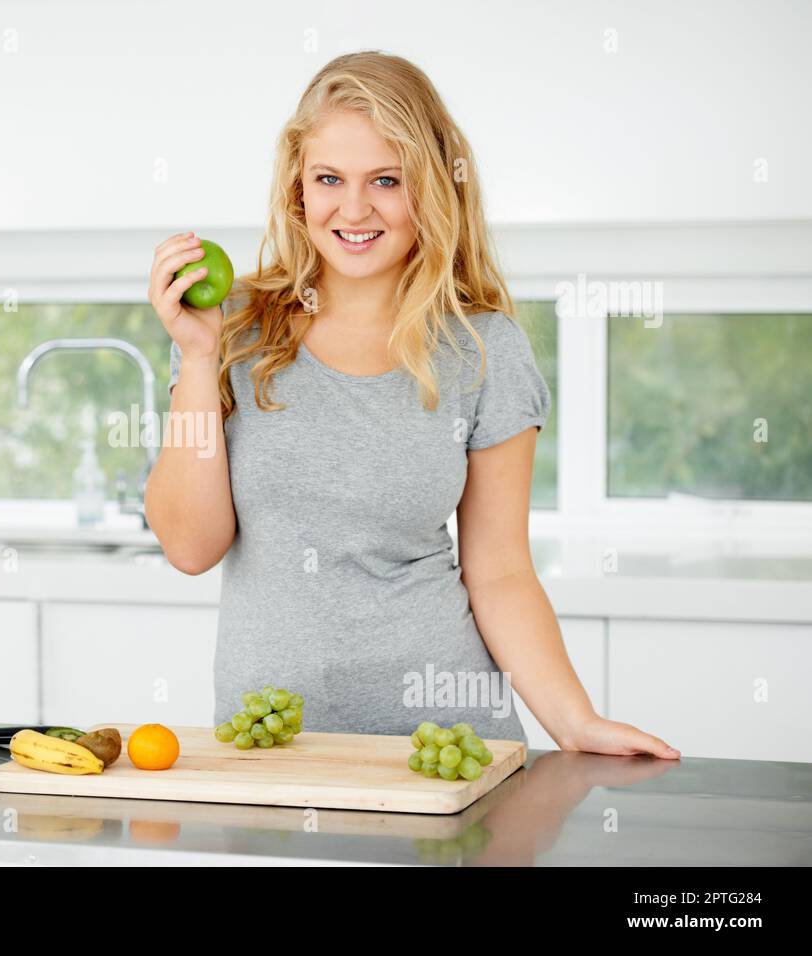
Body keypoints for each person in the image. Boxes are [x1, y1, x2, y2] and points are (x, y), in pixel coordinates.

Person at [144, 50, 678, 758]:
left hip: (440, 746)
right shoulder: (232, 328)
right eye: (329, 178)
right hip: (269, 749)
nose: (355, 208)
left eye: (386, 181)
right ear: (298, 189)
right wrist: (199, 355)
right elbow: (190, 545)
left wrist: (575, 723)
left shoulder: (482, 348)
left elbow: (500, 570)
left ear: (430, 188)